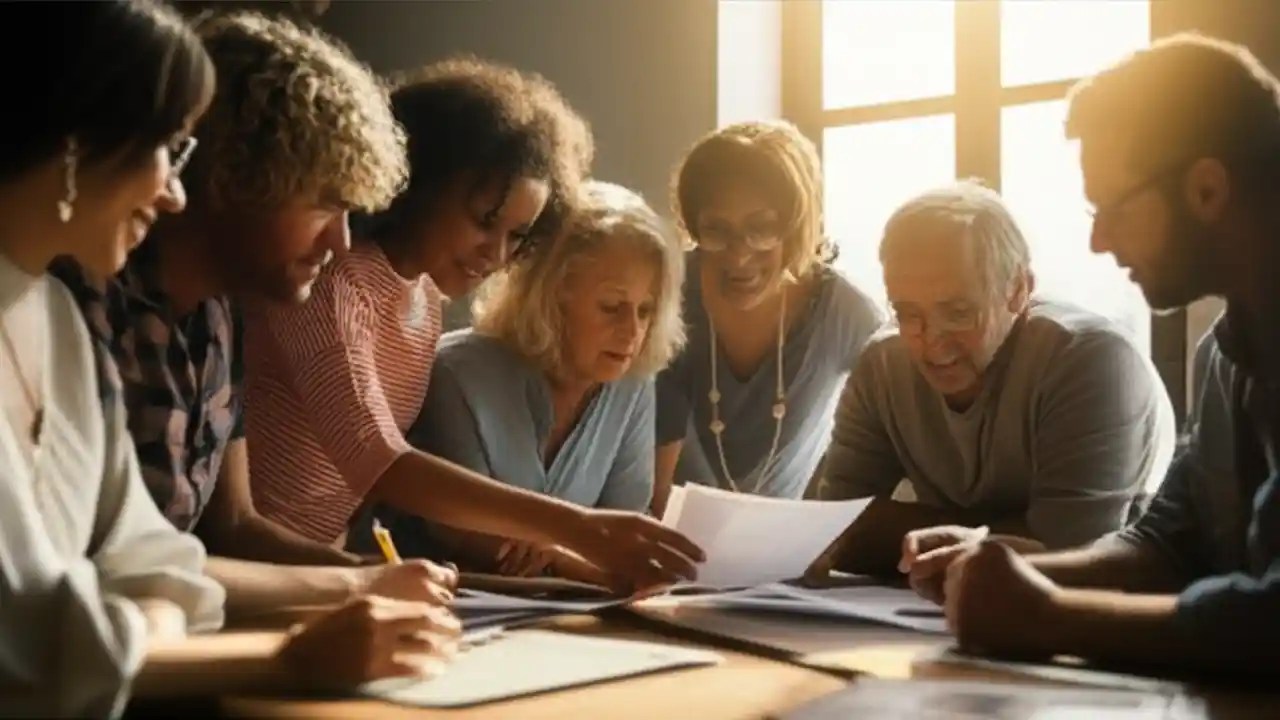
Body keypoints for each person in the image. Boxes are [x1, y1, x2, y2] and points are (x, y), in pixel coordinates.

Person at [0, 4, 454, 716]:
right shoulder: (77, 300)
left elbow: (149, 562)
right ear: (77, 142)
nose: (174, 189)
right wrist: (282, 655)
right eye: (168, 150)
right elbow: (38, 637)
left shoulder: (54, 319)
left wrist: (141, 610)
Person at [241, 59, 703, 594]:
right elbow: (380, 462)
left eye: (517, 236)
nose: (496, 253)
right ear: (421, 182)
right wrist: (578, 529)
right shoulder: (333, 282)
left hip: (315, 570)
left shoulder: (424, 301)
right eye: (485, 221)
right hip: (248, 572)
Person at [904, 33, 1280, 675]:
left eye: (1113, 208)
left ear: (1207, 190)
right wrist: (1000, 570)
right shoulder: (1226, 356)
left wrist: (1048, 616)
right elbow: (1163, 545)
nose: (1099, 239)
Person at [809, 180, 1175, 577]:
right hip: (926, 610)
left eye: (959, 312)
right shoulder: (882, 366)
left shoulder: (1092, 362)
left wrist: (894, 528)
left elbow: (1068, 554)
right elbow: (834, 527)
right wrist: (1004, 533)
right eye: (908, 313)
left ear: (1018, 291)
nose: (932, 342)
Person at [398, 180, 685, 577]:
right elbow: (464, 535)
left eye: (646, 310)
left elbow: (624, 524)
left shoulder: (633, 384)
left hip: (568, 613)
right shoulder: (458, 372)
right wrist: (578, 558)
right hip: (449, 599)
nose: (632, 331)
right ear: (553, 295)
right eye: (612, 306)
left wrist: (558, 553)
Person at [654, 120, 883, 510]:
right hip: (665, 542)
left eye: (761, 228)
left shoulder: (847, 314)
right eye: (716, 229)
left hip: (784, 552)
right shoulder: (664, 294)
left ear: (798, 224)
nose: (739, 254)